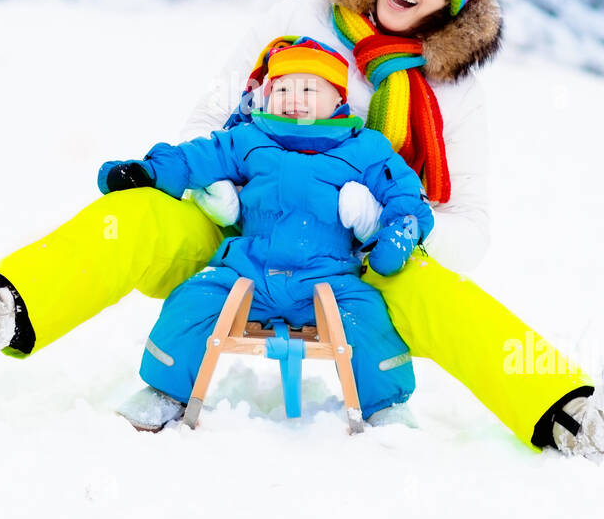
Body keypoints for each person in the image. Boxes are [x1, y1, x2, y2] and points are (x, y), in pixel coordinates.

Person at [0, 0, 604, 460]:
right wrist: (211, 190)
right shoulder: (303, 19)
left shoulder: (451, 89)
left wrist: (392, 233)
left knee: (444, 296)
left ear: (451, 1)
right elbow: (214, 113)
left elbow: (475, 225)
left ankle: (566, 413)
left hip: (364, 267)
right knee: (140, 217)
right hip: (236, 233)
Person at [97, 36, 432, 431]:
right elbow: (196, 157)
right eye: (282, 88)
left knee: (370, 317)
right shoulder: (250, 138)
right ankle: (164, 391)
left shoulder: (364, 149)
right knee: (193, 300)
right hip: (248, 269)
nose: (294, 98)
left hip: (330, 278)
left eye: (309, 88)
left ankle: (385, 405)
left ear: (338, 99)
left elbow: (406, 194)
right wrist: (149, 171)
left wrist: (402, 230)